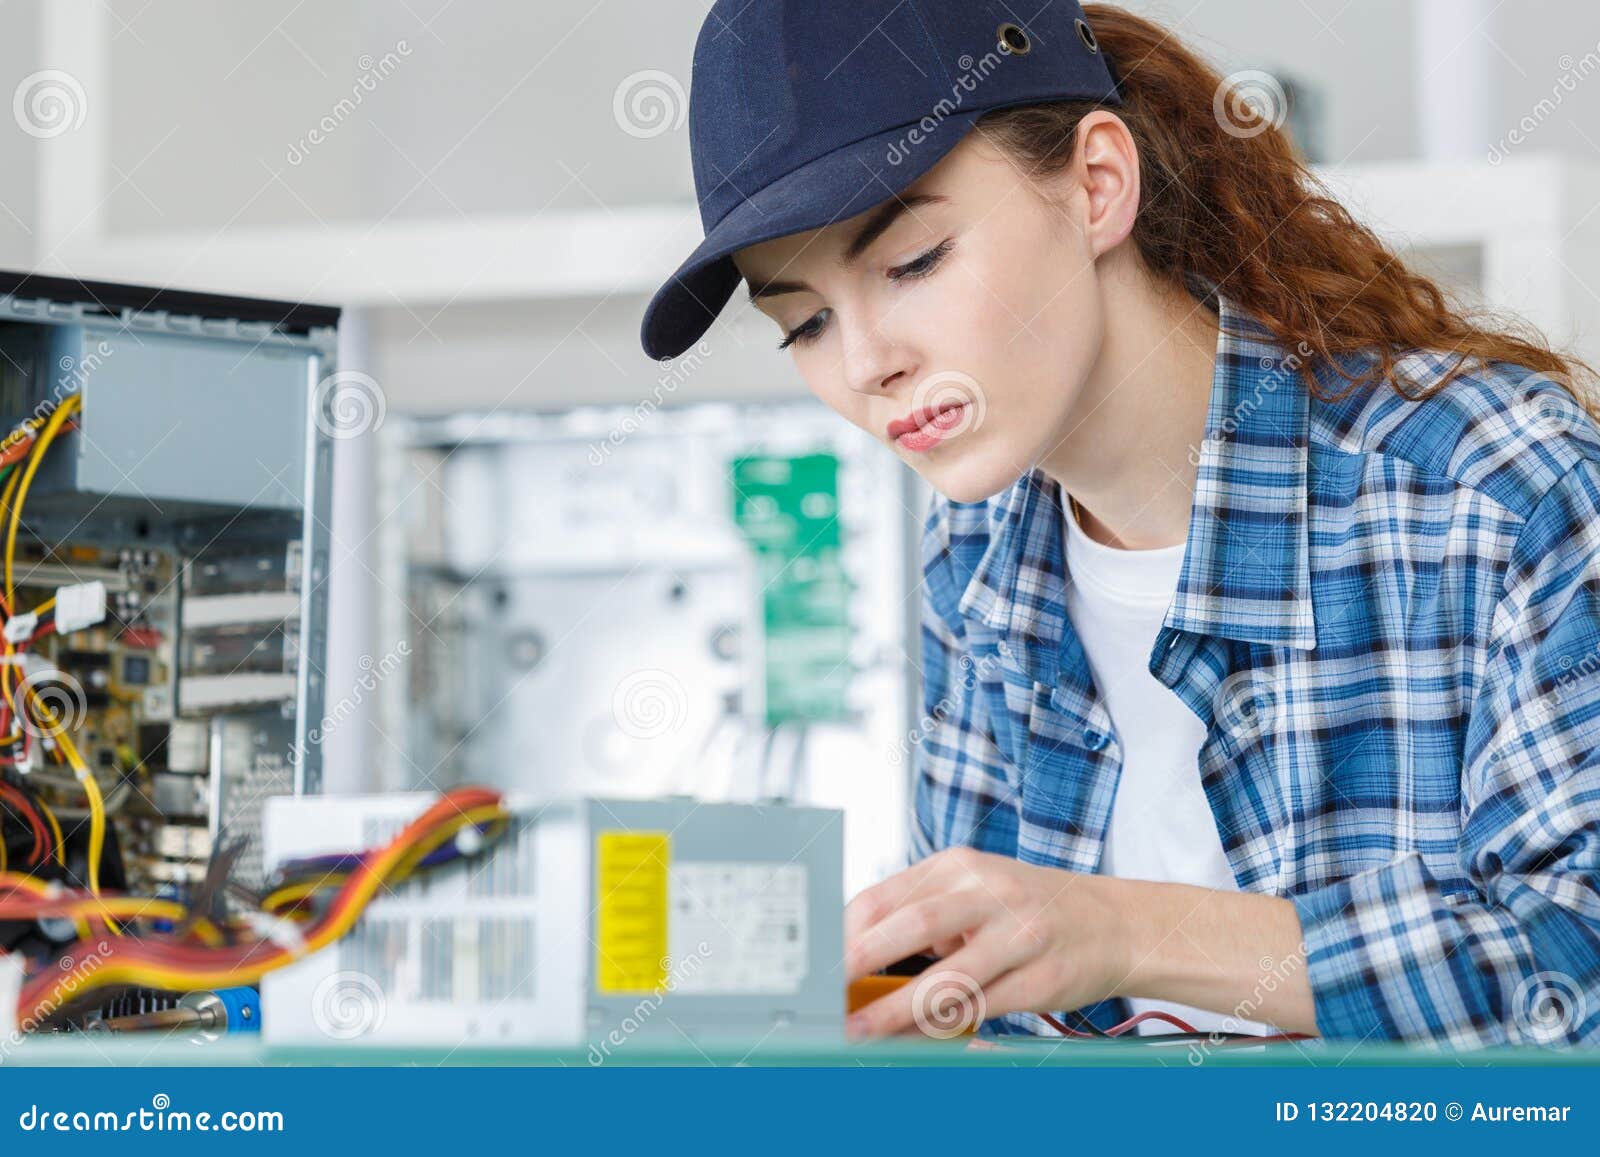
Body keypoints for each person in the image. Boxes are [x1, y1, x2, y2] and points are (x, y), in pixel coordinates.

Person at [640, 1, 1600, 1047]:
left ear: (1097, 185)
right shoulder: (975, 553)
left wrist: (1120, 931)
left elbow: (1578, 961)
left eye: (912, 261)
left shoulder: (1492, 491)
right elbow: (994, 1035)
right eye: (805, 323)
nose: (867, 363)